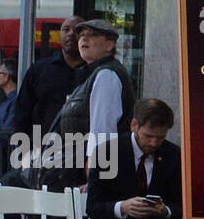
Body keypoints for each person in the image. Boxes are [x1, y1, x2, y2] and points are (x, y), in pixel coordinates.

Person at [42, 17, 135, 191]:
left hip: (85, 179)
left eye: (92, 35)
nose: (84, 39)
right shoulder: (92, 75)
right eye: (82, 35)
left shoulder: (107, 75)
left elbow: (102, 132)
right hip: (72, 174)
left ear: (109, 45)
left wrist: (97, 180)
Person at [86, 98, 181, 219]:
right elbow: (93, 207)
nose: (154, 143)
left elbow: (179, 207)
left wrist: (164, 210)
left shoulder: (173, 155)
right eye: (148, 136)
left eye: (160, 138)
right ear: (134, 125)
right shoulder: (108, 152)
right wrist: (123, 207)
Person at [12, 16, 86, 142]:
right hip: (43, 149)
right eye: (66, 29)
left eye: (77, 31)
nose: (71, 34)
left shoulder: (95, 72)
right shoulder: (39, 70)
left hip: (83, 149)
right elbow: (22, 114)